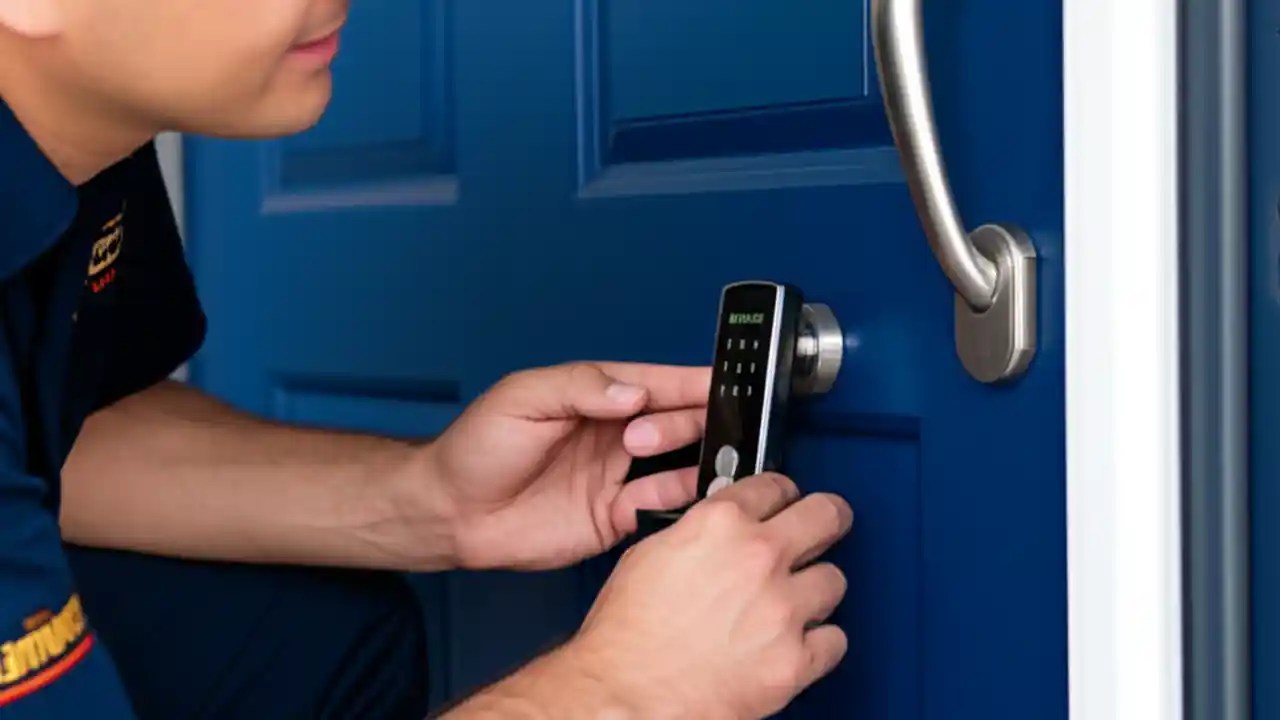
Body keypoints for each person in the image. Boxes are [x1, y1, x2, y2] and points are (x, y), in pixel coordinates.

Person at [0, 1, 853, 718]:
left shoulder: (78, 136)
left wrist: (429, 502)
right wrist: (625, 691)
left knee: (309, 638)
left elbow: (68, 434)